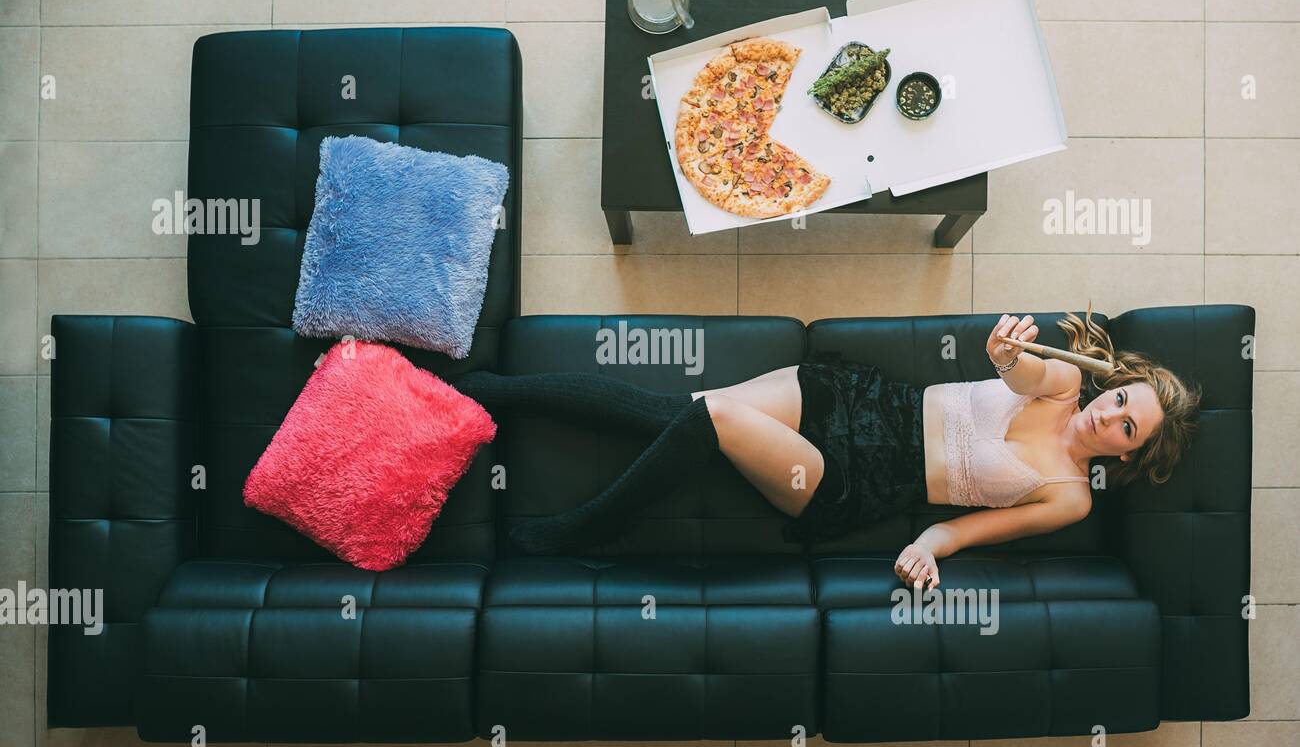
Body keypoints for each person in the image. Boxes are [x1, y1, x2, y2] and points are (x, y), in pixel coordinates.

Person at [450, 307, 1201, 589]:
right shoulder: (1063, 384)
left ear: (1129, 456)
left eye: (1127, 427)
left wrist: (929, 549)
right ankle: (494, 390)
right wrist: (1005, 351)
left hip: (854, 478)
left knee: (708, 417)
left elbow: (964, 528)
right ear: (1113, 385)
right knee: (670, 412)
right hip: (860, 398)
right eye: (1121, 399)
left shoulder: (1068, 495)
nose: (1110, 416)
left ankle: (585, 527)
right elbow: (1021, 366)